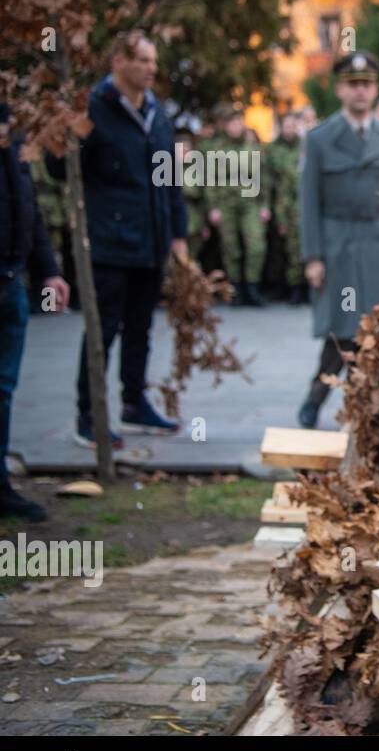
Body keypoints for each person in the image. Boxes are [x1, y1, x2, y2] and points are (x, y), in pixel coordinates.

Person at [50, 31, 186, 448]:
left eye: (153, 61)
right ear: (119, 62)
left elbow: (171, 181)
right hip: (109, 243)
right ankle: (88, 415)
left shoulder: (157, 115)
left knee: (141, 329)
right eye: (143, 60)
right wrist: (61, 138)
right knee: (102, 331)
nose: (151, 68)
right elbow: (61, 172)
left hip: (151, 241)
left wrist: (178, 236)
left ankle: (133, 404)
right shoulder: (93, 109)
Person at [296, 52, 379, 428]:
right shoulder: (320, 139)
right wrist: (313, 256)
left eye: (366, 84)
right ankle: (319, 396)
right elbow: (308, 201)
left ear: (376, 89)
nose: (360, 91)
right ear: (340, 89)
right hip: (338, 242)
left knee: (378, 328)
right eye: (353, 84)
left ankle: (364, 409)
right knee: (342, 328)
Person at [0, 105, 70, 521]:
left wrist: (49, 271)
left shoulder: (15, 134)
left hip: (12, 282)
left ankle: (1, 486)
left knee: (5, 389)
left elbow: (29, 206)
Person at [199, 105, 266, 306]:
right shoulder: (217, 148)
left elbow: (264, 179)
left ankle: (253, 288)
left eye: (239, 122)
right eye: (232, 123)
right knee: (231, 248)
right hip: (226, 204)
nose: (236, 126)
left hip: (250, 203)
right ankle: (236, 290)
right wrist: (213, 207)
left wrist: (265, 205)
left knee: (256, 246)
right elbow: (210, 180)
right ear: (226, 125)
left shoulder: (253, 146)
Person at [267, 111, 306, 303]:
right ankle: (292, 288)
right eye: (286, 126)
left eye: (293, 126)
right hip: (284, 206)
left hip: (304, 206)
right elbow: (271, 182)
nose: (290, 130)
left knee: (303, 250)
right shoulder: (272, 150)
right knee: (289, 250)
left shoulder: (305, 146)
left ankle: (305, 288)